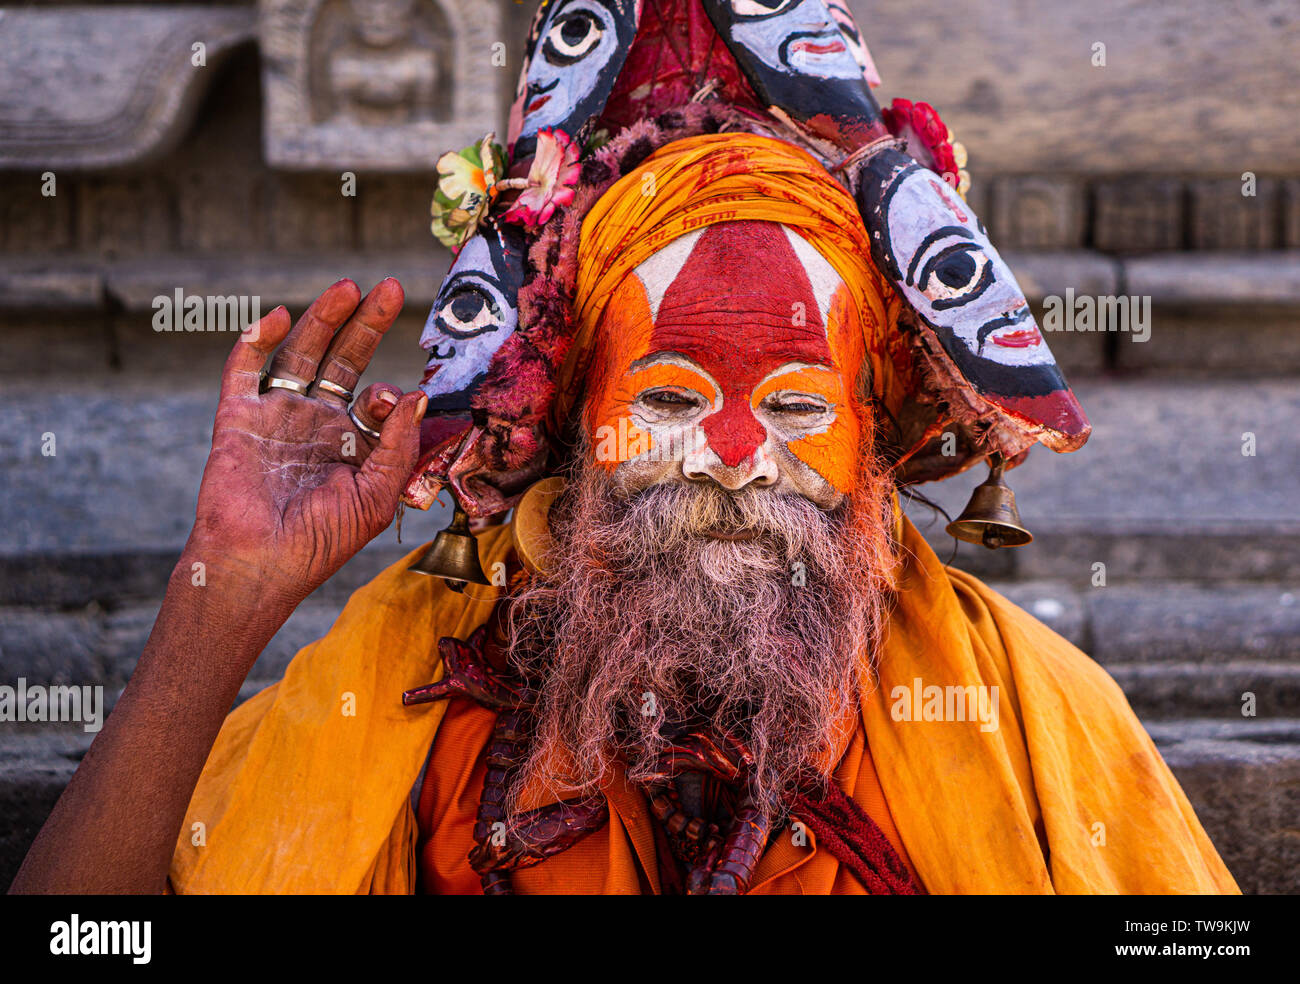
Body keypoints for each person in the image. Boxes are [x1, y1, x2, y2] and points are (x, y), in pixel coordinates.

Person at [12, 0, 1237, 895]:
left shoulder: (1031, 721)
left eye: (803, 408)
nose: (736, 456)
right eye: (667, 400)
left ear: (877, 438)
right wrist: (226, 586)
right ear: (570, 425)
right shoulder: (398, 702)